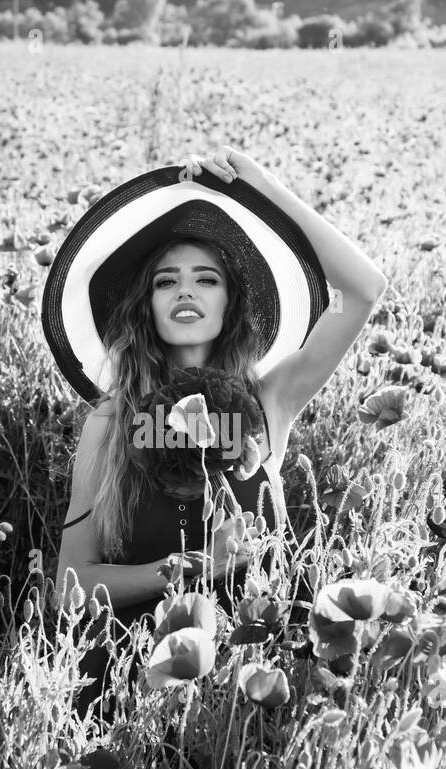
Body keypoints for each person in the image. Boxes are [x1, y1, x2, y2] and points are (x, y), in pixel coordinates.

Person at [43, 146, 388, 723]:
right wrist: (196, 564)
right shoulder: (112, 420)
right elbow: (71, 584)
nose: (186, 292)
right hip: (138, 688)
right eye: (165, 281)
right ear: (145, 306)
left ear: (230, 304)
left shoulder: (268, 401)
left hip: (254, 685)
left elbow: (365, 289)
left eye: (207, 280)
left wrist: (260, 187)